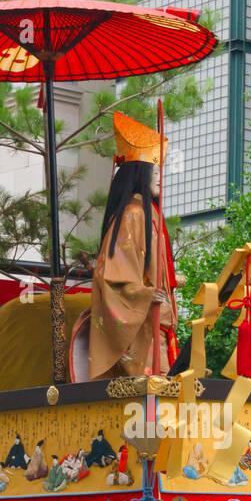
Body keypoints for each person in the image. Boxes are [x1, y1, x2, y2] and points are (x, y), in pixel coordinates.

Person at [89, 112, 176, 380]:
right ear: (140, 172)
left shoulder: (148, 214)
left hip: (156, 327)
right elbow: (115, 280)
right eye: (156, 170)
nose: (162, 177)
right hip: (143, 330)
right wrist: (147, 294)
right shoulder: (133, 215)